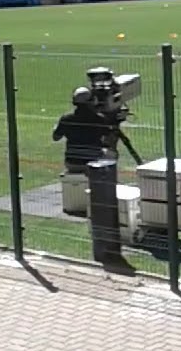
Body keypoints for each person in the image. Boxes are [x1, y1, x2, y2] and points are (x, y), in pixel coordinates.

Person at [52, 87, 133, 275]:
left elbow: (56, 136)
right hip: (92, 166)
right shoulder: (99, 120)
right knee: (110, 155)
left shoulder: (67, 119)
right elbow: (109, 141)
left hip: (72, 162)